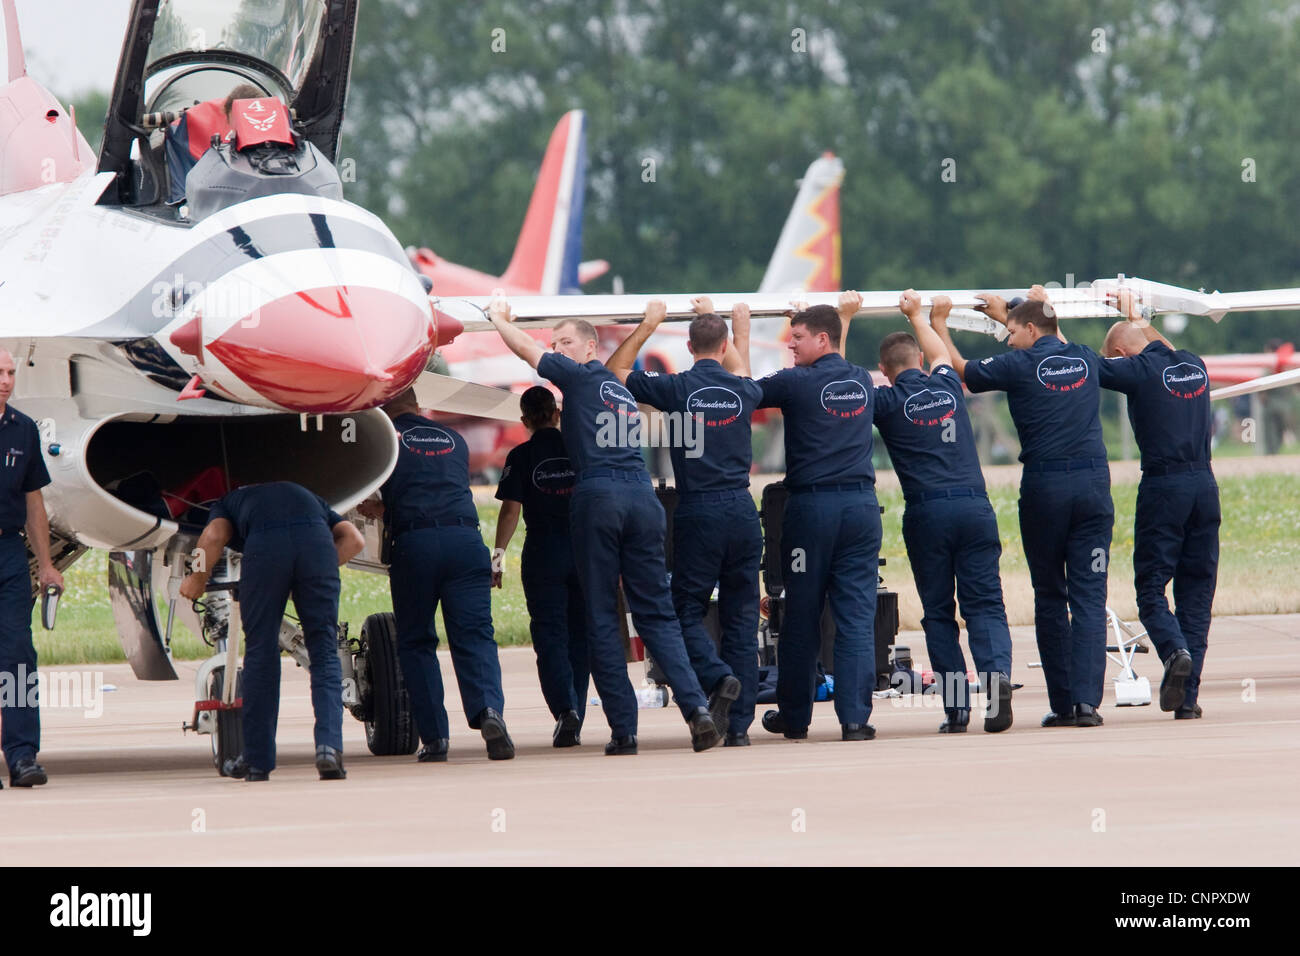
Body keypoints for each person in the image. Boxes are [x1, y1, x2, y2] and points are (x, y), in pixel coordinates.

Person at [485, 294, 733, 755]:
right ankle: (697, 710)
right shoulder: (618, 387)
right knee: (656, 612)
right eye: (554, 342)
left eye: (564, 342)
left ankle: (624, 730)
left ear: (588, 350)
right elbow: (620, 362)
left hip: (599, 495)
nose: (555, 348)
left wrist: (498, 318)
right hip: (642, 495)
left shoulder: (577, 379)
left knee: (601, 614)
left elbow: (526, 351)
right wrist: (651, 324)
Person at [931, 289, 1113, 728]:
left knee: (1051, 593)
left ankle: (1065, 703)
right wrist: (1011, 314)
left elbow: (964, 373)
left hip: (1047, 487)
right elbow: (1053, 341)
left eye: (1011, 333)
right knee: (1090, 597)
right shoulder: (1085, 356)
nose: (1007, 340)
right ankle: (1088, 705)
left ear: (1031, 330)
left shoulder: (1019, 364)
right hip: (1093, 485)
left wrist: (939, 325)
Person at [606, 297, 760, 746]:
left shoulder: (675, 388)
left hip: (701, 510)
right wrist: (739, 332)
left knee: (683, 609)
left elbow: (615, 373)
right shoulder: (744, 390)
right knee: (742, 617)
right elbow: (743, 368)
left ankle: (716, 676)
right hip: (743, 511)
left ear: (689, 347)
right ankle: (740, 728)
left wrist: (649, 325)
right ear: (726, 344)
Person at [873, 291, 1014, 733]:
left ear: (884, 372)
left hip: (928, 512)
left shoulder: (887, 403)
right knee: (985, 605)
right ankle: (996, 681)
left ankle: (956, 710)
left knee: (939, 613)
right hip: (973, 506)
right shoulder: (948, 386)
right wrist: (925, 317)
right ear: (919, 359)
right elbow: (939, 354)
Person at [359, 389, 515, 762]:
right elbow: (436, 487)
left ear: (383, 409)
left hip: (417, 544)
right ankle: (489, 712)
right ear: (418, 404)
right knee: (475, 635)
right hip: (465, 542)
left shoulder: (388, 440)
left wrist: (374, 508)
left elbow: (396, 496)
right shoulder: (453, 439)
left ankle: (435, 739)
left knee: (416, 642)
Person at [757, 292, 882, 742]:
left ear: (823, 339)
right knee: (854, 616)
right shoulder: (862, 380)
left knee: (802, 614)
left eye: (798, 337)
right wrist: (843, 316)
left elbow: (742, 394)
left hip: (813, 511)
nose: (790, 346)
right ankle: (854, 719)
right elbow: (836, 372)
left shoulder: (794, 383)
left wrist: (734, 332)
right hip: (862, 509)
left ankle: (796, 715)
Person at [180, 481, 364, 781]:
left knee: (261, 654)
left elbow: (213, 535)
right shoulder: (310, 495)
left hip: (266, 548)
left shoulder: (227, 501)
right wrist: (312, 575)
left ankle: (257, 760)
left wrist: (196, 578)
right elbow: (353, 539)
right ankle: (329, 750)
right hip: (317, 548)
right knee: (324, 652)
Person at [1100, 288, 1218, 718]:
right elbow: (1160, 348)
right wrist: (1133, 316)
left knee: (1151, 589)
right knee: (1197, 595)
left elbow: (1074, 369)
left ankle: (1173, 653)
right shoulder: (1194, 364)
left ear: (1119, 354)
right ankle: (1188, 701)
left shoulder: (1138, 372)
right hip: (1205, 486)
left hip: (1166, 487)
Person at [493, 386, 588, 746]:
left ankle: (565, 709)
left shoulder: (521, 455)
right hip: (583, 550)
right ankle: (576, 710)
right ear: (556, 414)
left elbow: (510, 509)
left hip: (543, 552)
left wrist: (498, 557)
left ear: (524, 420)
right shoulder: (579, 450)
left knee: (549, 635)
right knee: (580, 635)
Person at [0, 347, 63, 789]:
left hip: (7, 554)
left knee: (18, 654)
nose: (6, 379)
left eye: (10, 372)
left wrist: (47, 564)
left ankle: (22, 756)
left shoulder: (22, 429)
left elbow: (34, 502)